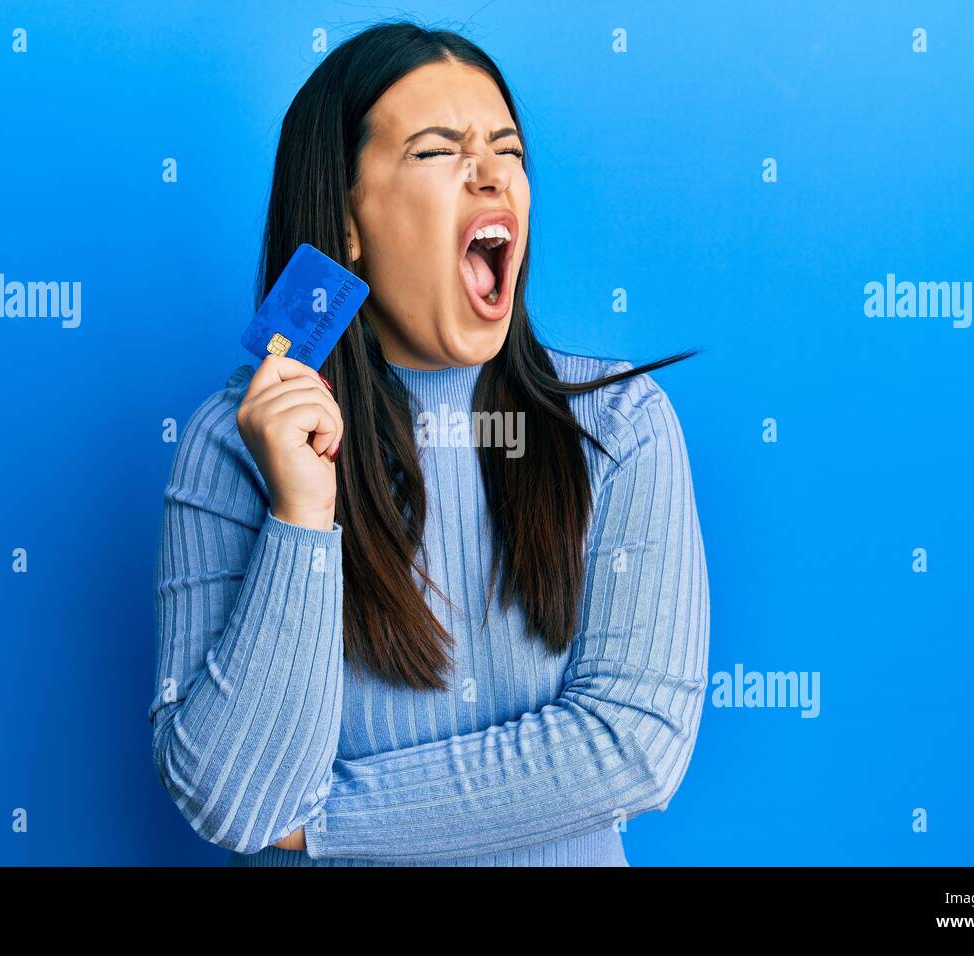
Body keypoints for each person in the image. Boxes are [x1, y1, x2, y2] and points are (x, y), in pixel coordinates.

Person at [148, 20, 710, 866]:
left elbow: (633, 745)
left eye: (508, 151)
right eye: (439, 152)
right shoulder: (233, 447)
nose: (491, 175)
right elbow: (234, 801)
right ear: (346, 225)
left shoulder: (620, 427)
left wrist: (324, 824)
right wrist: (301, 513)